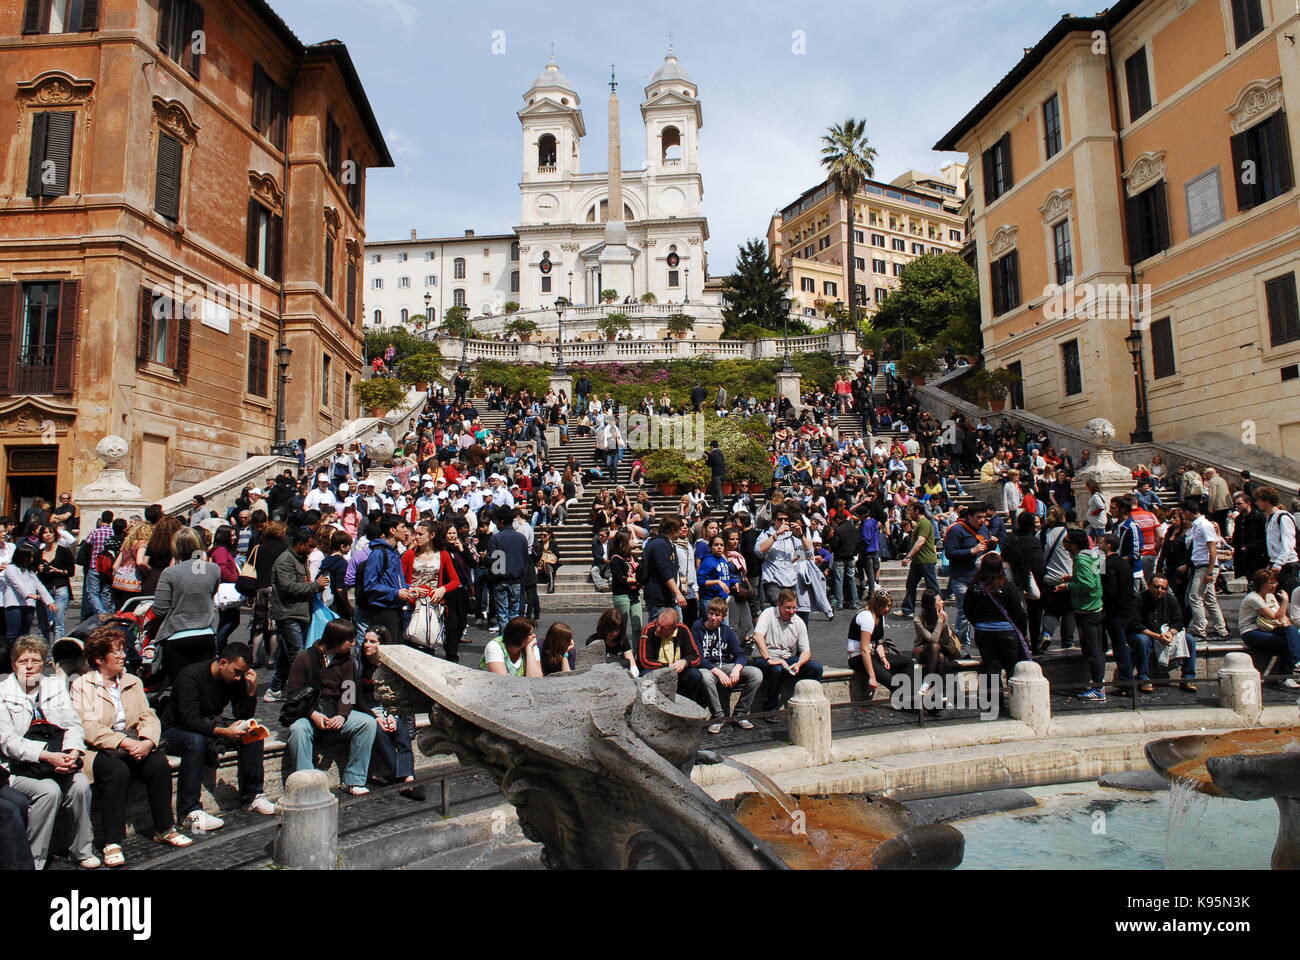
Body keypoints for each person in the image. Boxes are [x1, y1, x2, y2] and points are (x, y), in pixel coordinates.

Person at [71, 627, 191, 865]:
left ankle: (164, 828)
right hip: (100, 749)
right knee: (117, 772)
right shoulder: (83, 685)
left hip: (134, 743)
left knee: (159, 765)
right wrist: (123, 741)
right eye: (116, 653)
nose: (123, 656)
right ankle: (112, 841)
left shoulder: (132, 681)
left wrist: (147, 741)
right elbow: (87, 726)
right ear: (99, 659)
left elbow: (148, 715)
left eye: (123, 651)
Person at [0, 636, 99, 869]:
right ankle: (34, 860)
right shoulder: (2, 692)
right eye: (23, 660)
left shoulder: (54, 686)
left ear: (44, 663)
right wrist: (46, 755)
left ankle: (81, 850)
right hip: (18, 767)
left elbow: (72, 724)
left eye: (36, 660)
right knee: (49, 791)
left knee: (80, 786)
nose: (30, 665)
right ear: (14, 664)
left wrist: (72, 752)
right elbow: (6, 741)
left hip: (57, 759)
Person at [162, 640, 274, 832]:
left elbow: (243, 714)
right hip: (175, 730)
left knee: (253, 735)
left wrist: (251, 691)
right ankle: (189, 811)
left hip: (210, 724)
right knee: (195, 742)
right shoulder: (191, 676)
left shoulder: (233, 679)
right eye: (237, 672)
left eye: (242, 673)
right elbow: (190, 720)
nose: (238, 677)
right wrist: (225, 731)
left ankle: (252, 796)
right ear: (222, 662)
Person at [284, 620, 377, 795]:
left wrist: (342, 715)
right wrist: (313, 714)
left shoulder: (347, 661)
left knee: (367, 723)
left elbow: (348, 692)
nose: (352, 644)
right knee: (298, 730)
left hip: (334, 710)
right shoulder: (304, 658)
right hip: (308, 712)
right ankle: (307, 785)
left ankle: (354, 779)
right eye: (349, 640)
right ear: (337, 640)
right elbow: (294, 693)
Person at [265, 527, 330, 703]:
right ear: (300, 544)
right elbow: (289, 587)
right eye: (309, 546)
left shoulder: (299, 560)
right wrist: (315, 586)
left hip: (299, 613)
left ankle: (275, 688)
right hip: (289, 613)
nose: (311, 550)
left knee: (287, 654)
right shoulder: (286, 561)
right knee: (297, 653)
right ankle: (300, 690)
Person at [152, 527, 221, 687]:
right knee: (202, 685)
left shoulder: (169, 573)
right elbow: (211, 593)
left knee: (181, 686)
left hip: (177, 634)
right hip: (206, 633)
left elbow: (160, 609)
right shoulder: (213, 569)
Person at [359, 626, 421, 797]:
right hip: (367, 710)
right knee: (379, 731)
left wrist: (391, 716)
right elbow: (356, 698)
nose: (367, 645)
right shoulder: (357, 665)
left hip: (389, 708)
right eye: (365, 641)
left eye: (372, 641)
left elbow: (397, 696)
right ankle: (403, 777)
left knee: (400, 730)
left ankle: (408, 777)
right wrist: (376, 716)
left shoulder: (391, 667)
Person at [692, 598, 761, 733]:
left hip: (725, 665)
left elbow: (740, 654)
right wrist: (718, 672)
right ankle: (718, 716)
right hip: (707, 668)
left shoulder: (726, 631)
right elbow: (698, 657)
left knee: (756, 674)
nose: (713, 618)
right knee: (706, 677)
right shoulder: (697, 627)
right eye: (711, 613)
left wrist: (736, 668)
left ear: (723, 617)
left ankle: (740, 714)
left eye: (717, 615)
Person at [751, 589, 823, 717]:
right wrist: (769, 659)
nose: (791, 611)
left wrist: (799, 664)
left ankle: (811, 701)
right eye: (788, 608)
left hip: (786, 659)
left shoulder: (799, 622)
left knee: (816, 668)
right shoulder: (768, 613)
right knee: (776, 669)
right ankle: (770, 709)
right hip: (765, 658)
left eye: (794, 608)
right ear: (779, 604)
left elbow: (806, 651)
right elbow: (757, 636)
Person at [964, 553, 1028, 696]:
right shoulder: (1007, 586)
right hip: (1007, 632)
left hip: (983, 632)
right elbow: (1018, 612)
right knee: (1013, 668)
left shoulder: (974, 587)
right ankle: (1016, 700)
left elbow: (967, 609)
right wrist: (1023, 633)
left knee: (991, 668)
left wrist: (978, 623)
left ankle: (995, 703)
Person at [1061, 529, 1107, 701]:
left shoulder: (1080, 558)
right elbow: (1095, 578)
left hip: (1087, 609)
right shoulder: (1094, 555)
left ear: (1074, 545)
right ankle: (1099, 684)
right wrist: (1072, 578)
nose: (1064, 545)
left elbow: (1088, 585)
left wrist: (1068, 586)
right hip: (1096, 607)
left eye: (1066, 542)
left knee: (1092, 650)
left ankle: (1098, 688)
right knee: (1096, 649)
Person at [1134, 576, 1196, 694]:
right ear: (1149, 585)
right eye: (1156, 587)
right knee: (1142, 641)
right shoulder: (1139, 599)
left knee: (1190, 639)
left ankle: (1188, 678)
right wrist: (1157, 636)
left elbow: (1178, 621)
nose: (1160, 590)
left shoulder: (1171, 599)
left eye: (1163, 588)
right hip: (1148, 634)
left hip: (1165, 633)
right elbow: (1136, 624)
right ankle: (1143, 678)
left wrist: (1170, 633)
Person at [1238, 569, 1300, 687]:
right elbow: (1275, 616)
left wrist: (1285, 622)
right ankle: (1287, 673)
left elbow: (1282, 617)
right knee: (1287, 641)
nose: (1274, 585)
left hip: (1269, 628)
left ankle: (1294, 665)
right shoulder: (1253, 598)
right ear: (1261, 584)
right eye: (1271, 583)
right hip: (1251, 632)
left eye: (1275, 582)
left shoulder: (1270, 596)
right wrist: (1285, 601)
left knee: (1292, 631)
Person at [635, 607, 707, 708]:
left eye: (664, 628)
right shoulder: (648, 629)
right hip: (656, 671)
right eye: (658, 624)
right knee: (646, 676)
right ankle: (650, 710)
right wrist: (668, 666)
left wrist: (684, 661)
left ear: (674, 627)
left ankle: (687, 707)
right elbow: (644, 661)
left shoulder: (683, 629)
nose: (658, 629)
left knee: (695, 675)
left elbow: (697, 656)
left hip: (678, 672)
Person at [1182, 497, 1228, 645]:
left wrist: (1209, 571)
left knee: (1194, 597)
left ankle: (1199, 629)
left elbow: (1212, 548)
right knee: (1209, 600)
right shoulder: (1197, 526)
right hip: (1201, 566)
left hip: (1205, 566)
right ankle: (1221, 630)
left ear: (1188, 512)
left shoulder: (1204, 525)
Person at [849, 590, 914, 696]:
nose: (887, 609)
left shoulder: (880, 616)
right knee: (893, 682)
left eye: (889, 606)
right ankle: (913, 702)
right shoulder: (867, 617)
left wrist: (883, 658)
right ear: (876, 604)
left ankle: (908, 696)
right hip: (858, 657)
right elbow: (864, 649)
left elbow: (879, 641)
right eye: (884, 606)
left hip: (873, 655)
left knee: (908, 663)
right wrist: (872, 676)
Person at [1097, 534, 1139, 696]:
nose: (1096, 544)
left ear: (1108, 546)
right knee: (1124, 647)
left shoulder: (1107, 563)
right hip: (1127, 609)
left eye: (1100, 542)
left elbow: (1107, 589)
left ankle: (1127, 684)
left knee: (1120, 649)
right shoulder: (1123, 563)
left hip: (1116, 613)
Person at [899, 501, 940, 618]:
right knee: (910, 585)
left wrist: (908, 556)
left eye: (910, 510)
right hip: (918, 561)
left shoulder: (924, 523)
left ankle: (937, 608)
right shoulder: (920, 523)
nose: (908, 512)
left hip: (925, 561)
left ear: (917, 511)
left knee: (932, 587)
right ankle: (907, 610)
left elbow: (920, 541)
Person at [642, 515, 686, 621]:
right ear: (672, 529)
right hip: (660, 599)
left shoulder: (667, 543)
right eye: (680, 527)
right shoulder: (659, 544)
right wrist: (677, 593)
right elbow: (664, 571)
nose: (683, 529)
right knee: (661, 629)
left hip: (668, 598)